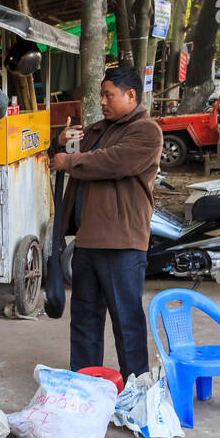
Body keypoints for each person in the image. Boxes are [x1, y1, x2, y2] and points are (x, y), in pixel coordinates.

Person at [50, 65, 162, 382]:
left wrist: (69, 160)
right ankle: (85, 382)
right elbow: (61, 154)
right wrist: (61, 141)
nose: (102, 101)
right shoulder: (97, 131)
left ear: (130, 95)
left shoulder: (146, 131)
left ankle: (136, 386)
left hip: (122, 244)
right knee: (84, 318)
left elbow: (112, 163)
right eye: (101, 94)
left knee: (126, 321)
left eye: (108, 94)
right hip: (87, 240)